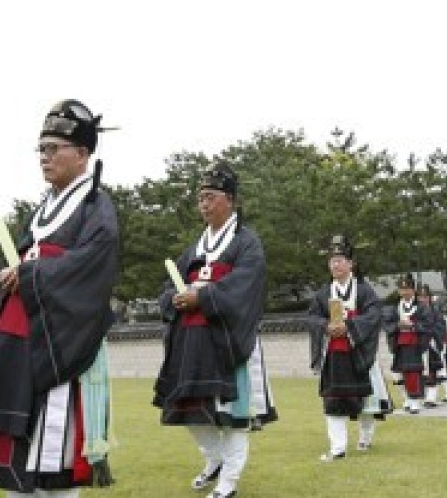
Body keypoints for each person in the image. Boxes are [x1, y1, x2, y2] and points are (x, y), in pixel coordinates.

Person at [0, 99, 121, 496]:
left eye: (53, 148)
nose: (44, 157)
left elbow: (92, 267)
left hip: (58, 342)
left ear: (82, 153)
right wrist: (6, 277)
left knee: (52, 456)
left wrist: (30, 273)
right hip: (20, 337)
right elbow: (24, 259)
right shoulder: (42, 209)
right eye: (40, 149)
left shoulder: (97, 207)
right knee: (18, 456)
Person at [153, 161, 277, 498]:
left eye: (210, 197)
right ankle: (215, 460)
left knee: (233, 415)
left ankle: (229, 482)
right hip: (192, 342)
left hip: (227, 341)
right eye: (200, 198)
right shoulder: (196, 247)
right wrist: (175, 298)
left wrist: (203, 296)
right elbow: (168, 285)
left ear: (230, 200)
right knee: (189, 409)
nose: (203, 204)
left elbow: (245, 285)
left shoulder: (247, 242)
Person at [307, 235, 391, 461]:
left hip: (358, 352)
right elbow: (312, 318)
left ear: (351, 264)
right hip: (333, 355)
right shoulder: (323, 293)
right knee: (332, 399)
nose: (335, 265)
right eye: (332, 261)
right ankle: (338, 448)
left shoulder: (364, 291)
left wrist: (350, 326)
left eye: (340, 260)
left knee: (365, 398)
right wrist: (326, 326)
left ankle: (365, 436)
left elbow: (374, 314)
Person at [384, 274, 429, 413]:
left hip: (415, 344)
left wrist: (413, 325)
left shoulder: (421, 307)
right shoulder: (395, 308)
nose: (405, 292)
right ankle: (408, 398)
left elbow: (428, 324)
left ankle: (415, 400)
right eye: (402, 289)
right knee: (402, 372)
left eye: (408, 289)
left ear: (413, 290)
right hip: (399, 344)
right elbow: (387, 324)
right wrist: (397, 325)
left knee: (413, 372)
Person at [417, 283, 447, 408]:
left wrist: (431, 333)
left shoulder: (436, 312)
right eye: (420, 296)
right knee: (419, 371)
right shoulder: (415, 311)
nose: (423, 299)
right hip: (418, 345)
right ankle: (420, 397)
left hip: (432, 344)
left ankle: (431, 398)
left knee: (432, 371)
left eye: (425, 296)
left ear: (429, 297)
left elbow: (441, 326)